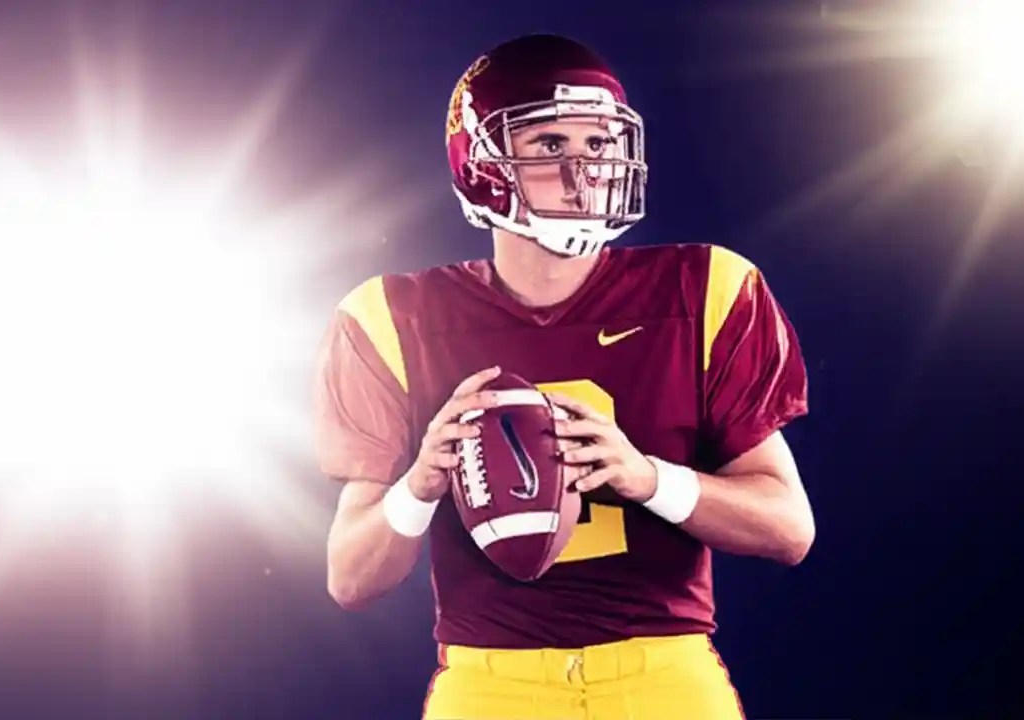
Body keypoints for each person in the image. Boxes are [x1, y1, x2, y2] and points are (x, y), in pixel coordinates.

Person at [315, 33, 815, 720]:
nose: (585, 168)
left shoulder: (705, 288)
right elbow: (350, 577)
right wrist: (420, 484)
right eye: (551, 145)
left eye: (600, 144)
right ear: (481, 164)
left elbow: (789, 528)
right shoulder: (390, 317)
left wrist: (647, 478)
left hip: (664, 669)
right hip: (491, 681)